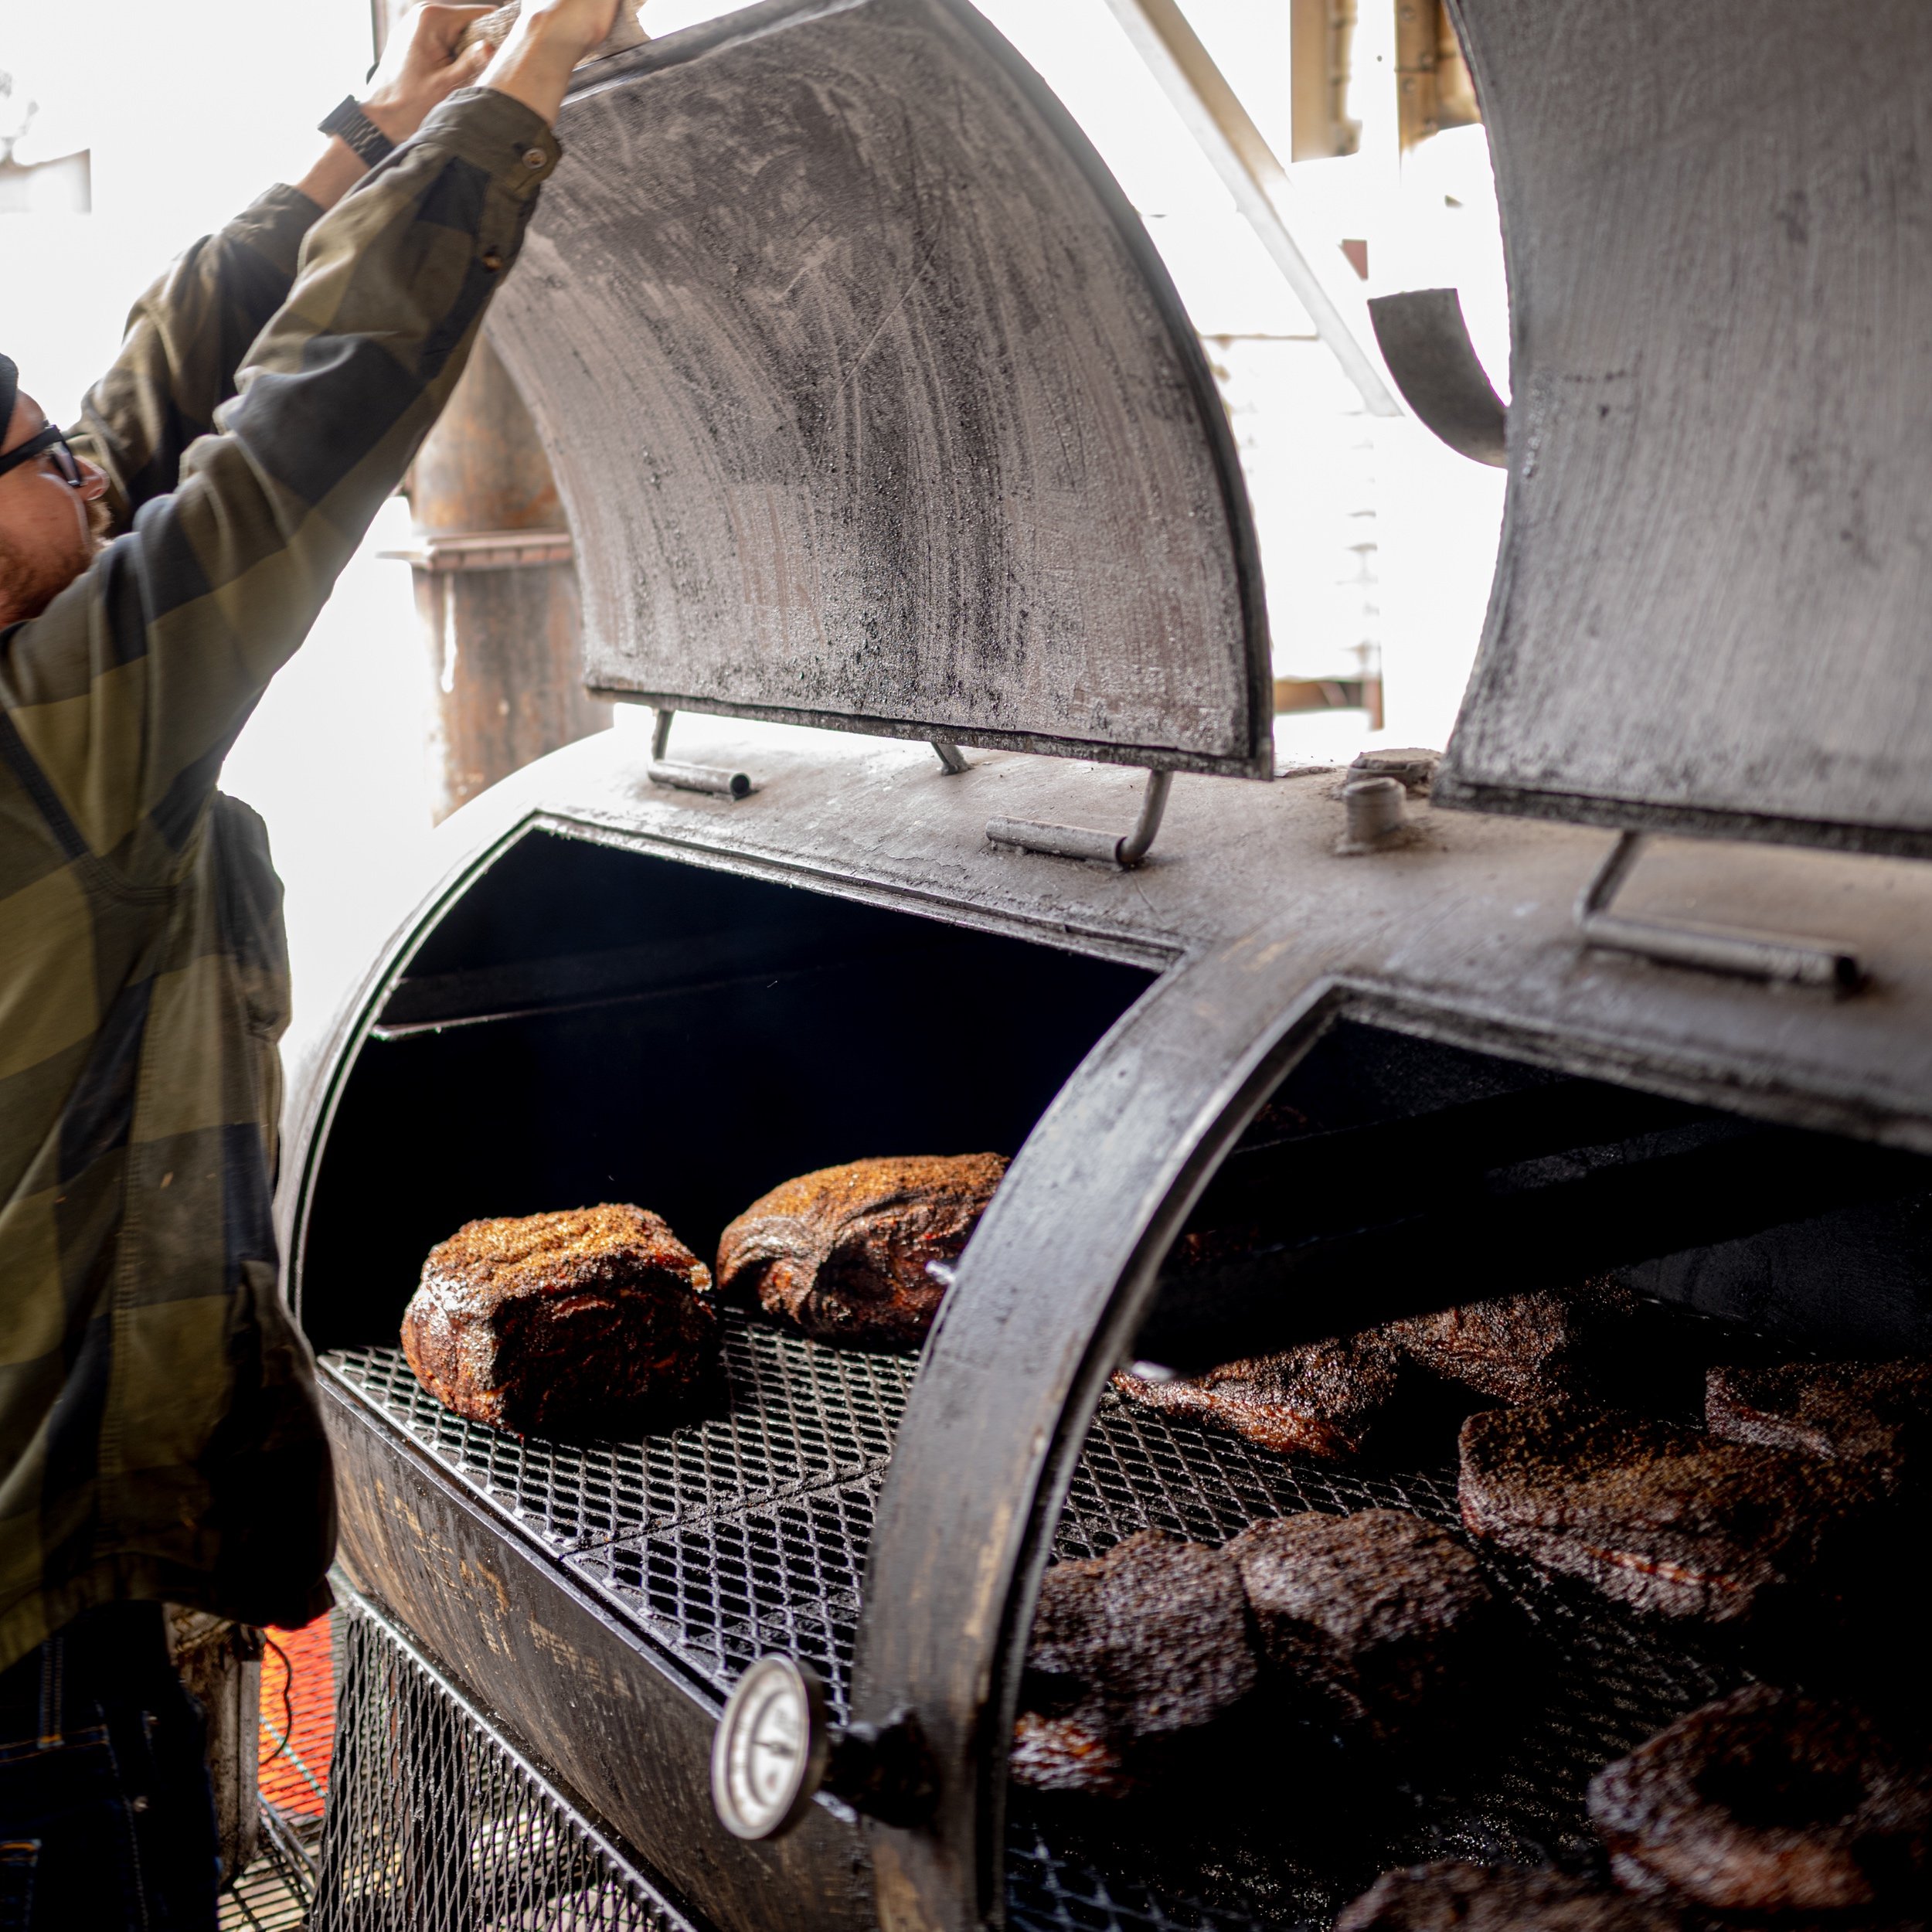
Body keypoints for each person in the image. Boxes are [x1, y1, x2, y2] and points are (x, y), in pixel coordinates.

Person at [0, 1, 619, 1920]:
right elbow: (296, 442)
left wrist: (370, 125)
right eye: (31, 456)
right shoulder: (51, 752)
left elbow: (131, 429)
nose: (89, 471)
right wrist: (524, 91)